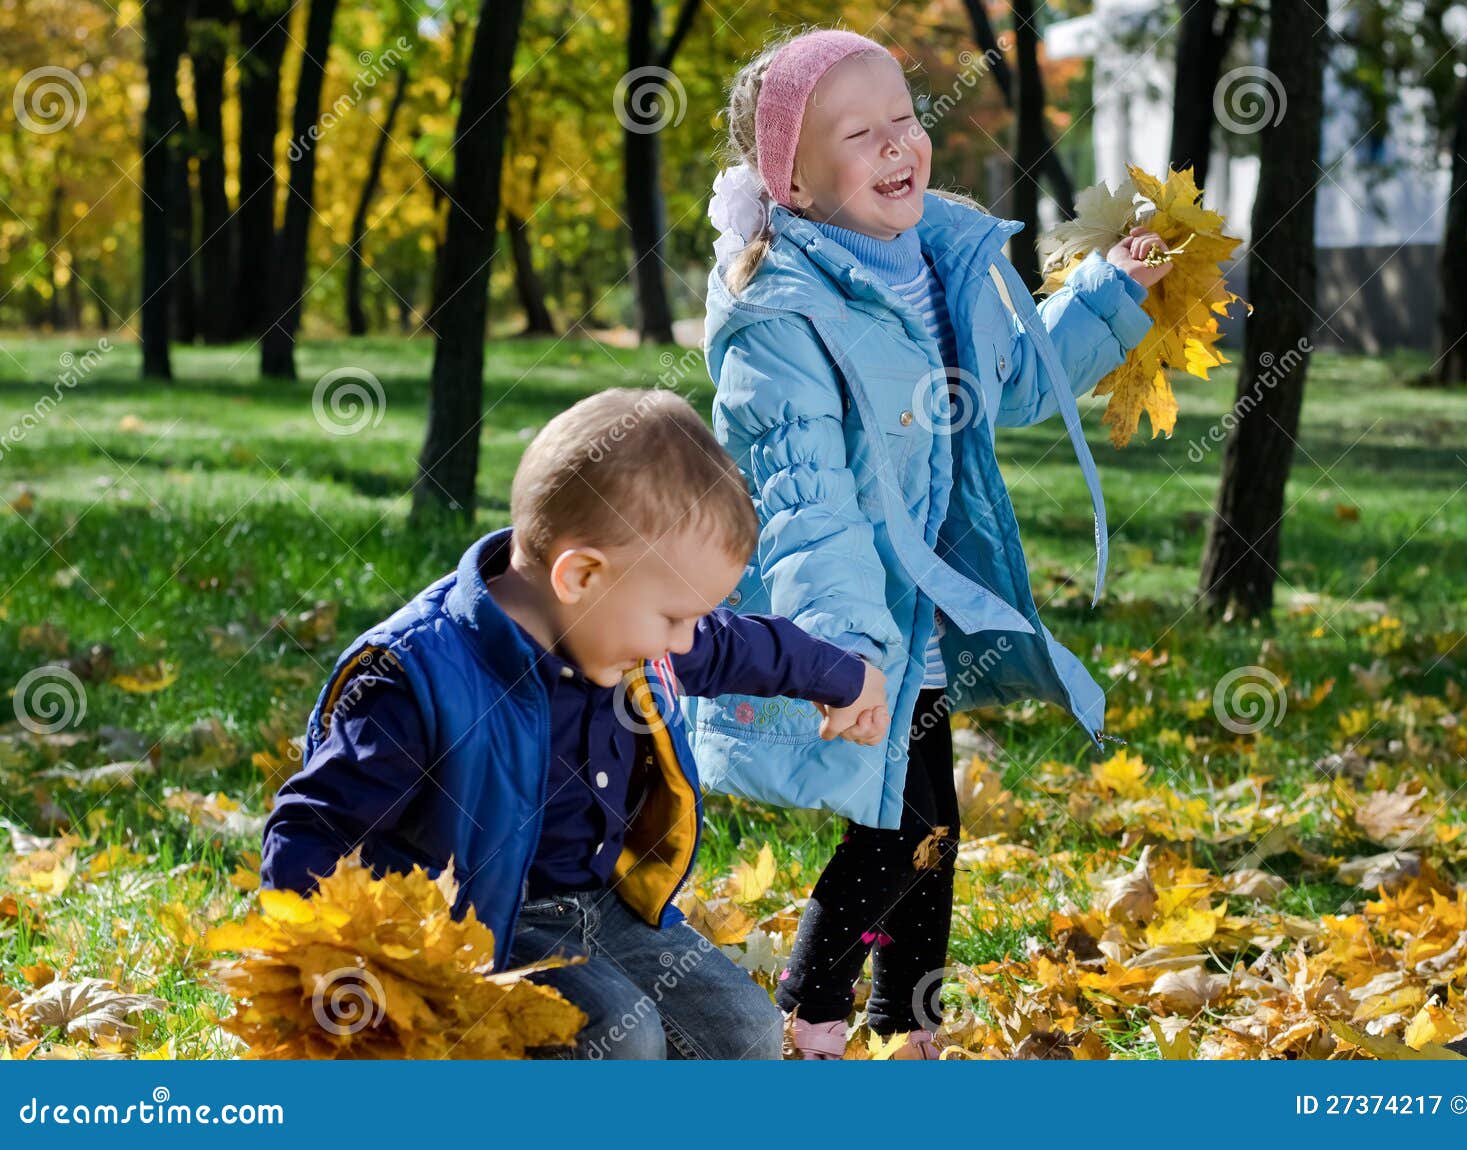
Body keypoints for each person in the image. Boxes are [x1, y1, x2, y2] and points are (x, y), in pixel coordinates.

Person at [690, 27, 1172, 1059]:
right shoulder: (780, 316)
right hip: (857, 618)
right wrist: (840, 651)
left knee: (927, 830)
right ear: (797, 183)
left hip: (925, 617)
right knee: (896, 834)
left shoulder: (940, 259)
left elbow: (1023, 377)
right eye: (859, 135)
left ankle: (911, 1031)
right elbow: (804, 503)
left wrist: (1112, 291)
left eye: (904, 120)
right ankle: (811, 1019)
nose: (899, 145)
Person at [260, 388, 890, 1059]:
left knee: (744, 1028)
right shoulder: (418, 677)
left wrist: (845, 677)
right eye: (675, 617)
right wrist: (334, 981)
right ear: (582, 574)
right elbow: (315, 827)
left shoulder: (625, 631)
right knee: (622, 1041)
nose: (684, 642)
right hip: (476, 932)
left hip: (601, 906)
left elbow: (734, 643)